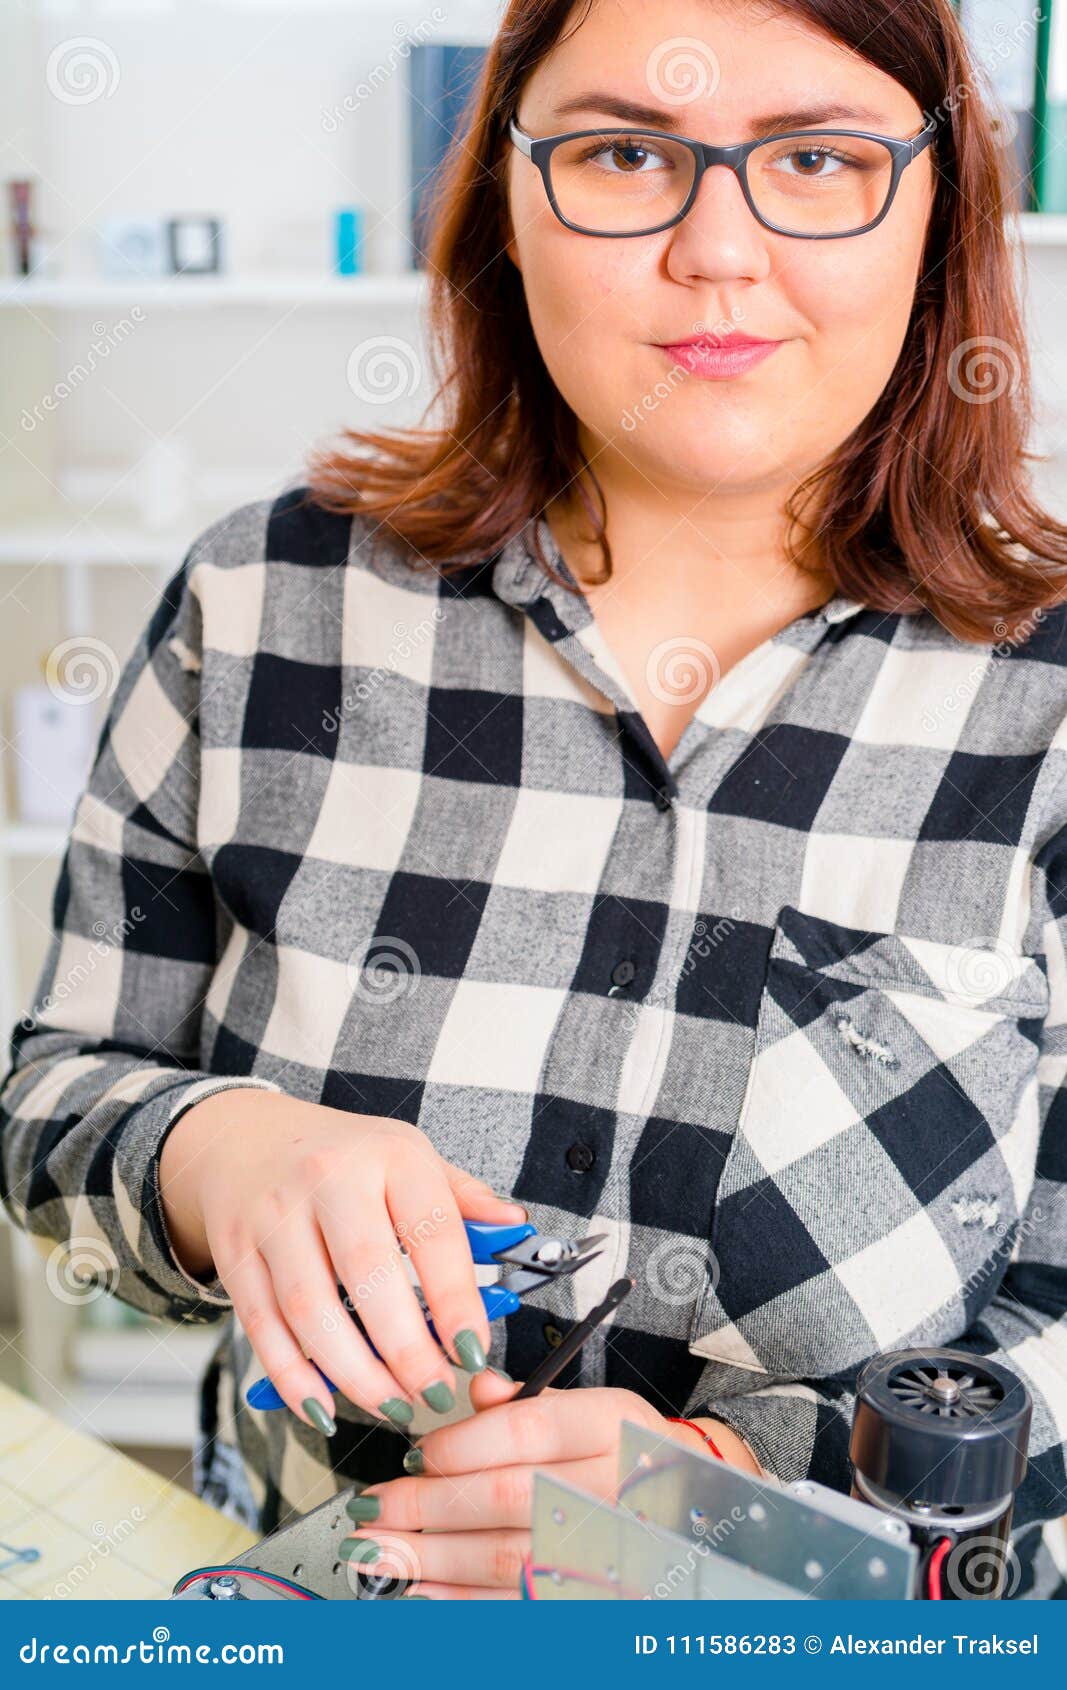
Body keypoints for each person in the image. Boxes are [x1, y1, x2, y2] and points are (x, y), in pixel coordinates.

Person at [4, 0, 1067, 1599]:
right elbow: (52, 1104)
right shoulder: (260, 604)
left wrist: (739, 1504)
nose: (718, 251)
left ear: (937, 211)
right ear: (506, 196)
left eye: (819, 157)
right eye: (627, 152)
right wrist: (220, 1153)